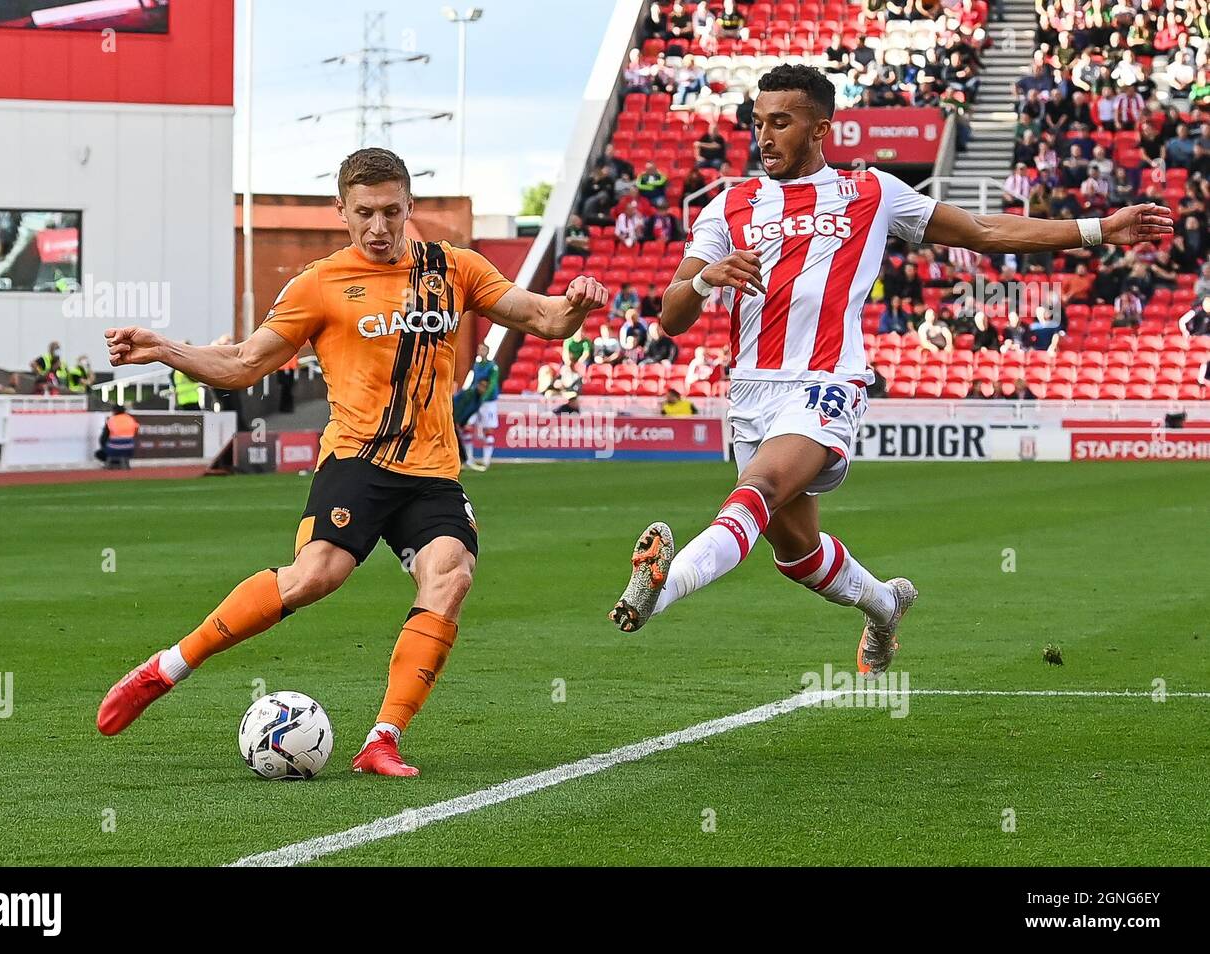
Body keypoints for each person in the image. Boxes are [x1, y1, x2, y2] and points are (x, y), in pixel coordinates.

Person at [606, 64, 1170, 680]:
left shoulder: (870, 192)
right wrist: (702, 277)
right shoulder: (727, 206)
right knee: (796, 554)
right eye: (758, 123)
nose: (764, 137)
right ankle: (884, 605)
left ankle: (661, 588)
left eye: (781, 123)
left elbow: (982, 230)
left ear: (822, 127)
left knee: (759, 493)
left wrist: (1097, 229)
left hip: (827, 382)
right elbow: (672, 316)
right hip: (750, 392)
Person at [97, 147, 608, 776]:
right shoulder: (318, 283)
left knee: (450, 576)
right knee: (315, 577)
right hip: (358, 462)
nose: (378, 227)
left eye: (392, 211)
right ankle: (166, 667)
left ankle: (381, 740)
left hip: (432, 473)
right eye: (364, 212)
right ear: (341, 210)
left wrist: (578, 303)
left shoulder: (456, 268)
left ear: (409, 208)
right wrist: (165, 349)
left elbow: (545, 318)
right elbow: (242, 365)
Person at [464, 343, 500, 472]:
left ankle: (486, 460)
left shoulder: (493, 367)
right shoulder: (476, 366)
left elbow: (493, 383)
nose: (481, 351)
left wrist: (484, 397)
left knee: (488, 430)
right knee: (467, 426)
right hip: (476, 401)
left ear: (488, 351)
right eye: (479, 349)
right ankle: (469, 458)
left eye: (483, 349)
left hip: (488, 402)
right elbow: (474, 382)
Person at [95, 404, 139, 469]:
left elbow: (103, 438)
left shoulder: (111, 420)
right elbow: (135, 432)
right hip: (129, 449)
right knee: (123, 445)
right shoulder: (131, 419)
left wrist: (104, 446)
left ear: (114, 411)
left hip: (114, 450)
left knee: (99, 453)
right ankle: (122, 462)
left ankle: (113, 463)